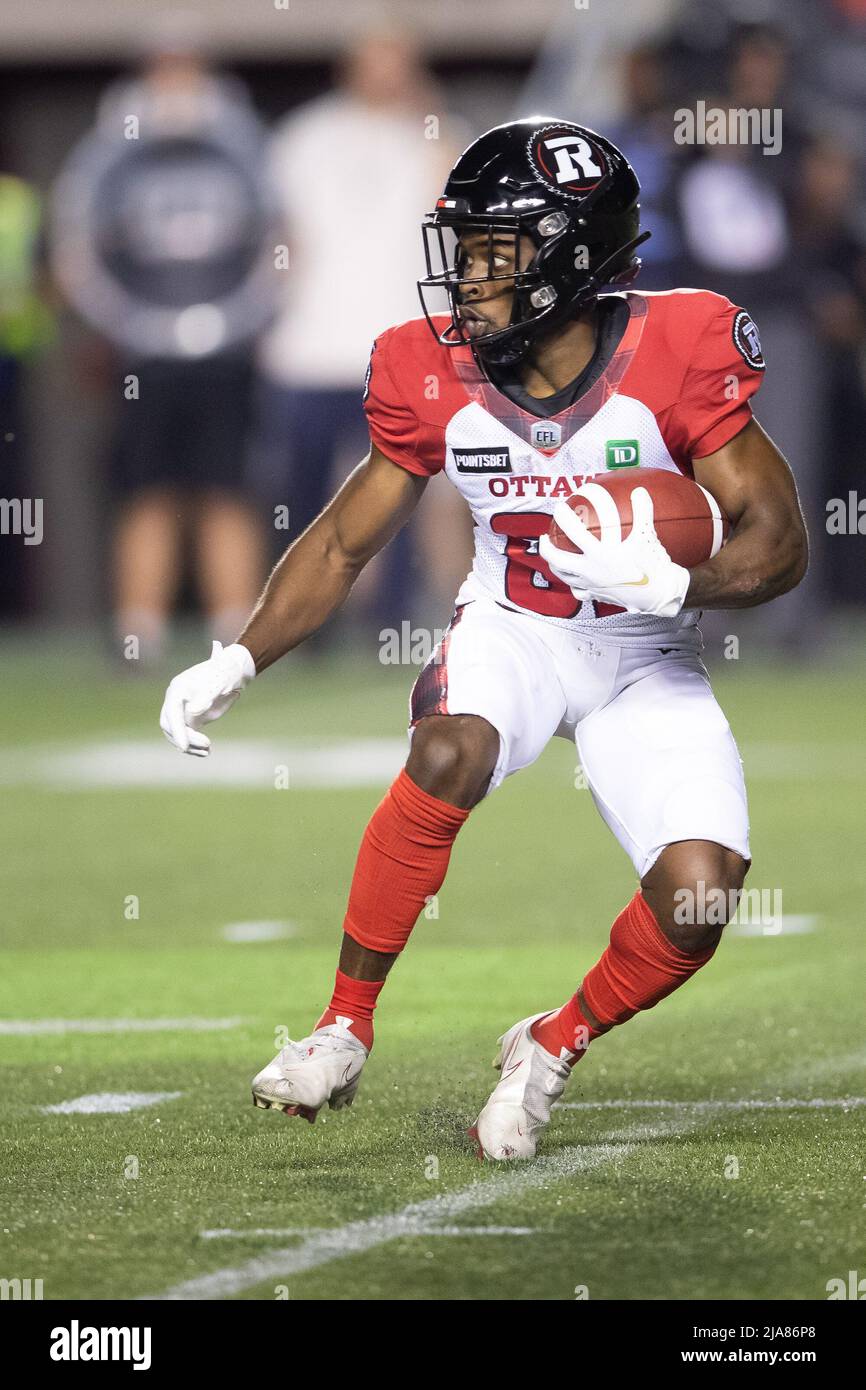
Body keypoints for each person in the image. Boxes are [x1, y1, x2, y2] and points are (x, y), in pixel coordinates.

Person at [160, 119, 808, 1161]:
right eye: (463, 247)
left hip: (645, 655)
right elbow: (338, 541)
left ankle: (550, 1045)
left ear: (567, 256)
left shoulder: (679, 345)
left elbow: (777, 543)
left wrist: (674, 579)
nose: (464, 275)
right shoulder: (428, 371)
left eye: (494, 251)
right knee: (447, 749)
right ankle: (341, 1028)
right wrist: (237, 658)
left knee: (697, 893)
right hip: (516, 627)